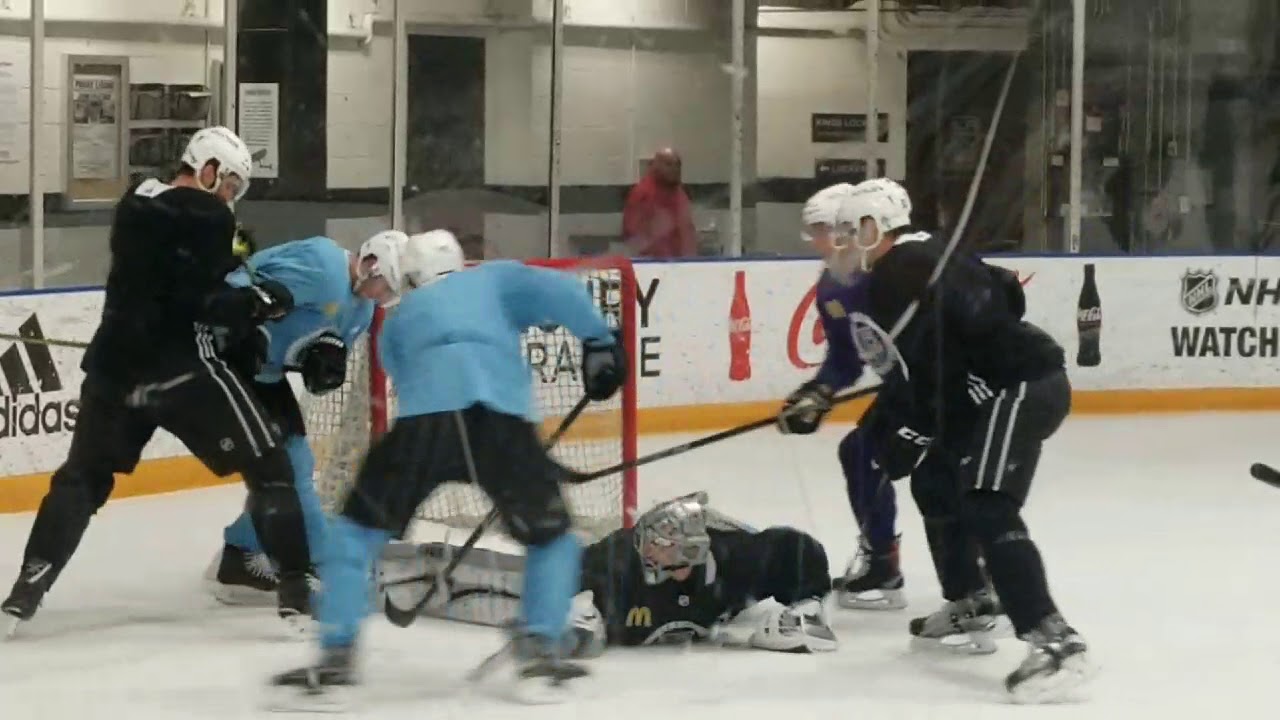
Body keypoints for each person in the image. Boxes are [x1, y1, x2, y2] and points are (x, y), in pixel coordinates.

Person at [266, 229, 625, 708]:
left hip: (423, 426)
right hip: (501, 422)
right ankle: (539, 651)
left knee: (354, 532)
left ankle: (335, 659)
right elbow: (562, 290)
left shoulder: (396, 322)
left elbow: (398, 369)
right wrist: (599, 342)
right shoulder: (493, 280)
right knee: (551, 536)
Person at [779, 177, 1092, 702]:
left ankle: (1055, 641)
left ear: (869, 227)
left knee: (988, 504)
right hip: (983, 389)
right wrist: (826, 396)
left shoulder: (904, 267)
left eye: (843, 231)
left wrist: (912, 424)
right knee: (935, 480)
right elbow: (943, 350)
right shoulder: (899, 265)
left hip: (1014, 386)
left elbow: (950, 350)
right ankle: (970, 599)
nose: (833, 242)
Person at [2, 127, 313, 636]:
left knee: (82, 479)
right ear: (208, 168)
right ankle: (298, 593)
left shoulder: (135, 199)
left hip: (113, 368)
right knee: (271, 465)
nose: (230, 194)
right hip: (181, 368)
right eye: (230, 182)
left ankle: (24, 592)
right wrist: (257, 305)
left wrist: (224, 264)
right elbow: (203, 302)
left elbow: (164, 269)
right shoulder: (212, 215)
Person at [380, 491, 838, 655]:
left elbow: (799, 553)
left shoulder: (740, 561)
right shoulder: (616, 568)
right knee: (518, 587)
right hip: (589, 586)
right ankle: (394, 569)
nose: (648, 546)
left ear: (689, 556)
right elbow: (578, 618)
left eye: (662, 543)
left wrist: (807, 604)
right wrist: (576, 623)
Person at [200, 233, 378, 607]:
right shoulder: (323, 265)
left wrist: (317, 362)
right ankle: (324, 566)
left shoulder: (364, 309)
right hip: (222, 364)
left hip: (263, 376)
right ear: (373, 262)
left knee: (293, 466)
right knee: (291, 469)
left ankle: (240, 555)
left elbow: (302, 345)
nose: (386, 293)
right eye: (387, 281)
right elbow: (237, 287)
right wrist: (235, 333)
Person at [622, 147, 698, 258]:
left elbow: (687, 228)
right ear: (656, 165)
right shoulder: (643, 193)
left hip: (681, 262)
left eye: (677, 165)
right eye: (668, 164)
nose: (674, 169)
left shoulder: (679, 193)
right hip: (653, 263)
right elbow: (632, 234)